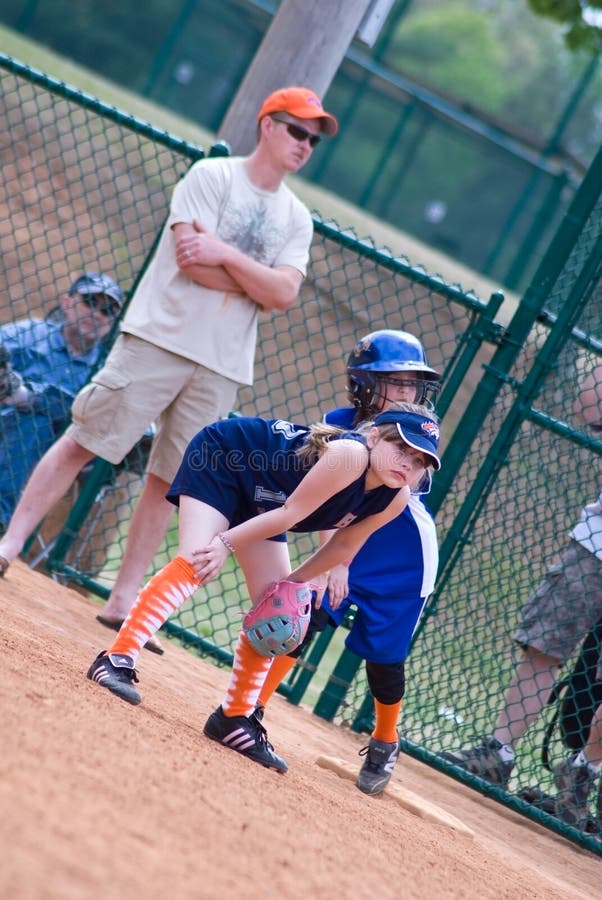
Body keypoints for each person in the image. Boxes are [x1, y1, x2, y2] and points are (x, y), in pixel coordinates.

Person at [0, 86, 338, 653]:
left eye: (313, 137)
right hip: (160, 336)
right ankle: (9, 546)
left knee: (170, 481)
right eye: (298, 130)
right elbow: (190, 262)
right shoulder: (213, 177)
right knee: (87, 438)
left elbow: (282, 294)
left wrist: (227, 255)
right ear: (268, 126)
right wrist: (256, 280)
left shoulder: (296, 219)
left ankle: (124, 600)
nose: (306, 144)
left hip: (221, 362)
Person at [86, 405, 442, 774]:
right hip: (223, 458)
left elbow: (342, 548)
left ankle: (233, 718)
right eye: (401, 448)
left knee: (279, 610)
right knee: (196, 561)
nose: (407, 464)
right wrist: (223, 543)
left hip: (264, 496)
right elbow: (289, 514)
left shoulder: (395, 496)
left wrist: (288, 587)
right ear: (372, 437)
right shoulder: (351, 456)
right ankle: (115, 659)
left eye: (419, 462)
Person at [253, 329, 442, 796]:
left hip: (402, 559)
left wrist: (341, 562)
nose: (405, 391)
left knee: (383, 656)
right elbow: (331, 501)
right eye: (393, 381)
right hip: (346, 539)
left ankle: (384, 738)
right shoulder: (337, 423)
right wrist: (329, 564)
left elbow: (383, 506)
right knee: (305, 613)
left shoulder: (413, 436)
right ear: (362, 382)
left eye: (411, 384)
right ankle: (253, 706)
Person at [441, 364, 602, 829]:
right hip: (596, 543)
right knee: (544, 643)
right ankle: (499, 753)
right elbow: (590, 407)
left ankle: (582, 775)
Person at [0, 272, 123, 529]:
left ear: (112, 323)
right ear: (67, 303)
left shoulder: (109, 368)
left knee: (37, 422)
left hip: (51, 447)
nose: (98, 314)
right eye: (90, 302)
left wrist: (28, 396)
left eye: (108, 310)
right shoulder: (32, 333)